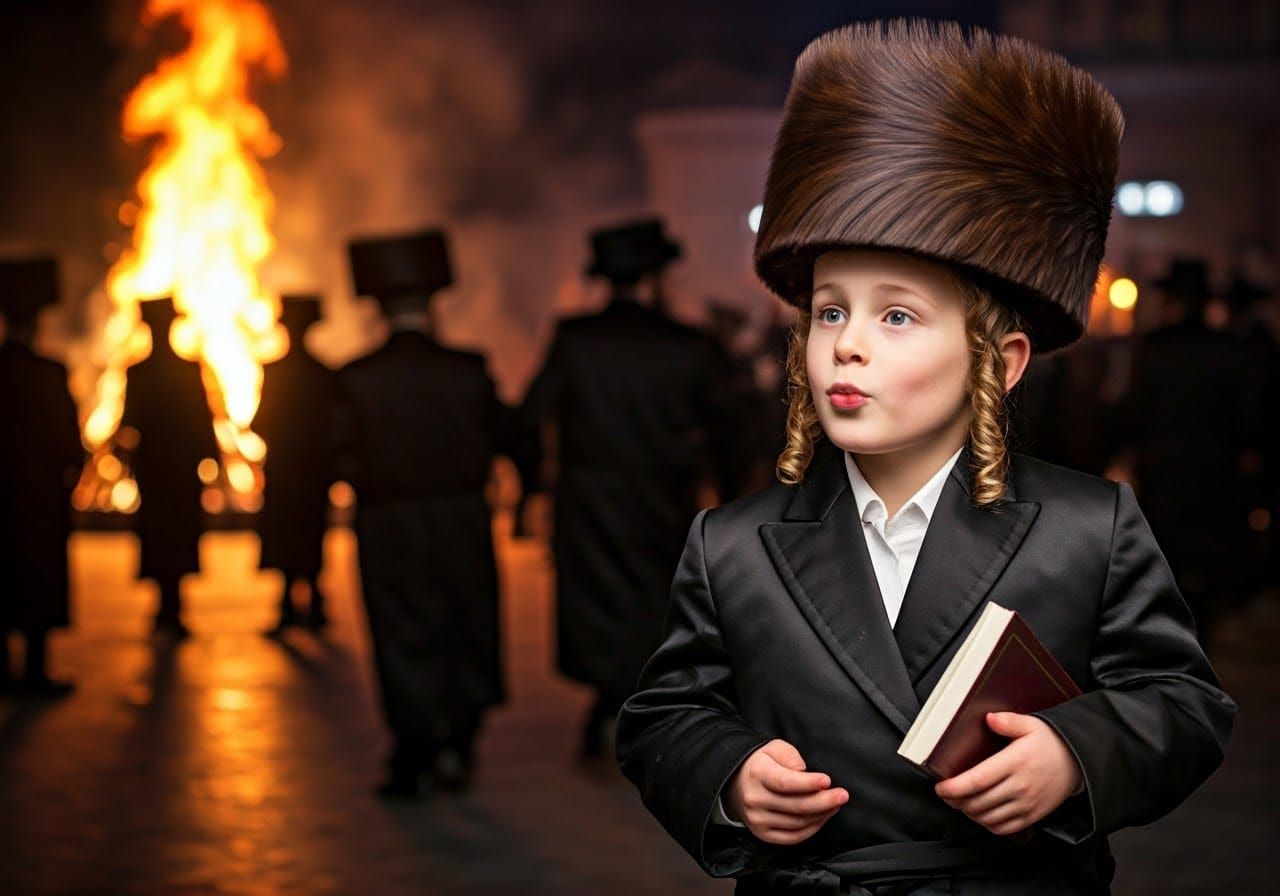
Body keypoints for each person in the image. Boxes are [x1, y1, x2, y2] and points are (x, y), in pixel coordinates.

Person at [616, 21, 1235, 894]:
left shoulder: (1087, 527)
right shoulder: (734, 543)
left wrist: (1076, 754)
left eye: (896, 315)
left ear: (1000, 362)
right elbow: (663, 716)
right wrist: (727, 778)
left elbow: (1185, 703)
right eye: (830, 311)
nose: (848, 346)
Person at [519, 218, 743, 759]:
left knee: (598, 597)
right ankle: (642, 703)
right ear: (658, 274)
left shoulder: (574, 339)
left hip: (587, 495)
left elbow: (530, 416)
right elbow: (731, 424)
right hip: (661, 493)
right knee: (657, 595)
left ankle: (609, 699)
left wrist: (533, 487)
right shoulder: (688, 344)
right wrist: (731, 495)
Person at [338, 228, 516, 797]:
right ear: (433, 303)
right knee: (465, 620)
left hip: (388, 521)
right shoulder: (467, 368)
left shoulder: (356, 378)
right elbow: (506, 434)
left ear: (377, 308)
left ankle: (413, 747)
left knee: (400, 628)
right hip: (461, 516)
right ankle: (459, 742)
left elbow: (334, 452)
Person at [0, 257, 82, 695]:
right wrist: (71, 474)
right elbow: (67, 438)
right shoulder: (48, 374)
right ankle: (34, 671)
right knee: (36, 579)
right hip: (38, 499)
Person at [120, 297, 218, 639]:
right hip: (178, 467)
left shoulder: (138, 371)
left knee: (161, 533)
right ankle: (172, 608)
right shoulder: (187, 370)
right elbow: (203, 420)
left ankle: (166, 607)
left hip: (156, 466)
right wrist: (211, 458)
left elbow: (128, 423)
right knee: (177, 532)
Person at [256, 295, 338, 634]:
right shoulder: (324, 374)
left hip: (286, 465)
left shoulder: (275, 372)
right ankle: (314, 599)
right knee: (311, 532)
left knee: (285, 530)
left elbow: (261, 422)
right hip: (313, 468)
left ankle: (289, 603)